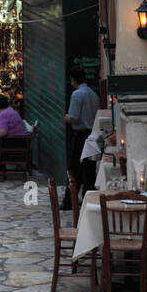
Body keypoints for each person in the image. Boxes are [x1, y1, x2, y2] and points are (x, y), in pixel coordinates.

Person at [64, 65, 99, 205]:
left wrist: (65, 117)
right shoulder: (93, 94)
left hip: (81, 135)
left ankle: (69, 200)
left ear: (73, 79)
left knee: (74, 169)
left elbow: (73, 117)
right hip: (92, 135)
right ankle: (87, 198)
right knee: (89, 170)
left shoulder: (77, 94)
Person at [0, 94, 28, 179]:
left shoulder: (3, 114)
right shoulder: (11, 111)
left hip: (14, 142)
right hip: (21, 141)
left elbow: (3, 132)